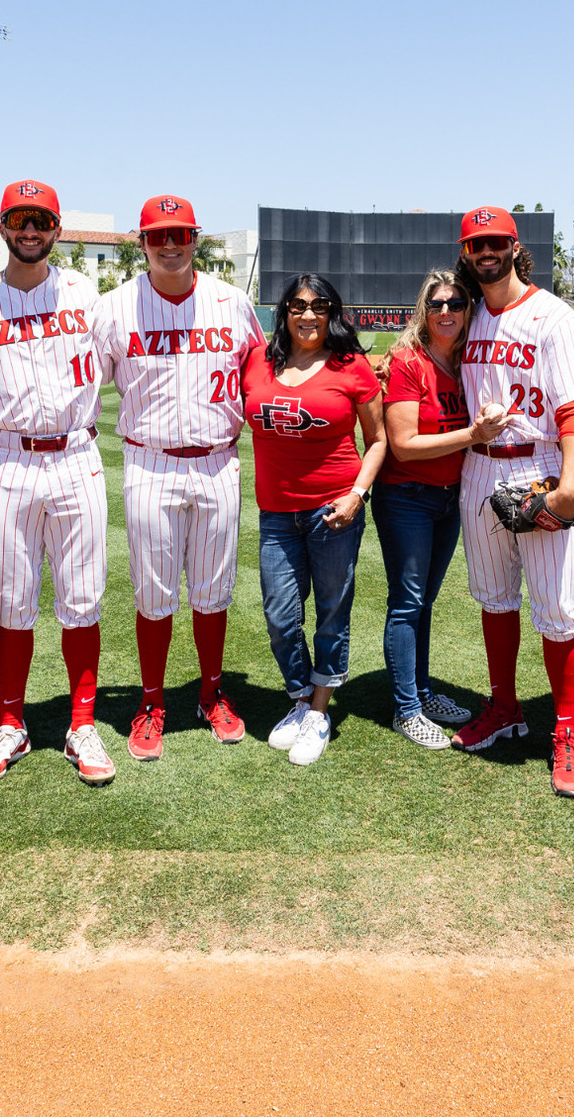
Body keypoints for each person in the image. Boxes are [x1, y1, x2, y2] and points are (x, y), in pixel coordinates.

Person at [91, 195, 263, 760]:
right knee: (154, 592)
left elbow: (264, 373)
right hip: (150, 460)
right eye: (158, 235)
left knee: (214, 589)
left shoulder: (232, 302)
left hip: (218, 459)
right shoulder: (115, 308)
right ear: (143, 242)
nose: (170, 245)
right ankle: (151, 702)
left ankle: (211, 693)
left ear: (196, 239)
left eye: (180, 234)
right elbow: (86, 390)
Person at [0, 180, 116, 790]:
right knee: (12, 600)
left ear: (56, 229)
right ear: (2, 227)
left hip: (75, 453)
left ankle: (82, 724)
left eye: (41, 221)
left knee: (82, 599)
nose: (30, 231)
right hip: (9, 459)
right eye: (18, 220)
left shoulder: (87, 293)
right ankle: (11, 724)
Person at [448, 207, 574, 799]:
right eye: (475, 244)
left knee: (559, 608)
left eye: (495, 242)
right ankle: (505, 706)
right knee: (494, 599)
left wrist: (567, 488)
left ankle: (566, 731)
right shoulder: (467, 316)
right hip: (479, 471)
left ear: (514, 247)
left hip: (537, 465)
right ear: (467, 252)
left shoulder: (551, 315)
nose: (486, 251)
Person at [242, 274, 386, 765]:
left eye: (319, 306)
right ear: (284, 311)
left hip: (334, 511)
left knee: (330, 614)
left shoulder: (352, 366)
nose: (308, 315)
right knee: (281, 617)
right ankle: (300, 699)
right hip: (277, 514)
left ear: (332, 313)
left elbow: (379, 439)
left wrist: (357, 496)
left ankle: (319, 710)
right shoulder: (259, 361)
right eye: (298, 305)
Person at [375, 269, 507, 748]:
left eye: (456, 303)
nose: (447, 311)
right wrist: (473, 435)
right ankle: (406, 709)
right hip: (406, 495)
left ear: (468, 310)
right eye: (437, 305)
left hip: (449, 496)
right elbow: (405, 445)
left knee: (424, 602)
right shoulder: (408, 361)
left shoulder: (467, 360)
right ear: (423, 311)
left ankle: (423, 691)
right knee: (407, 603)